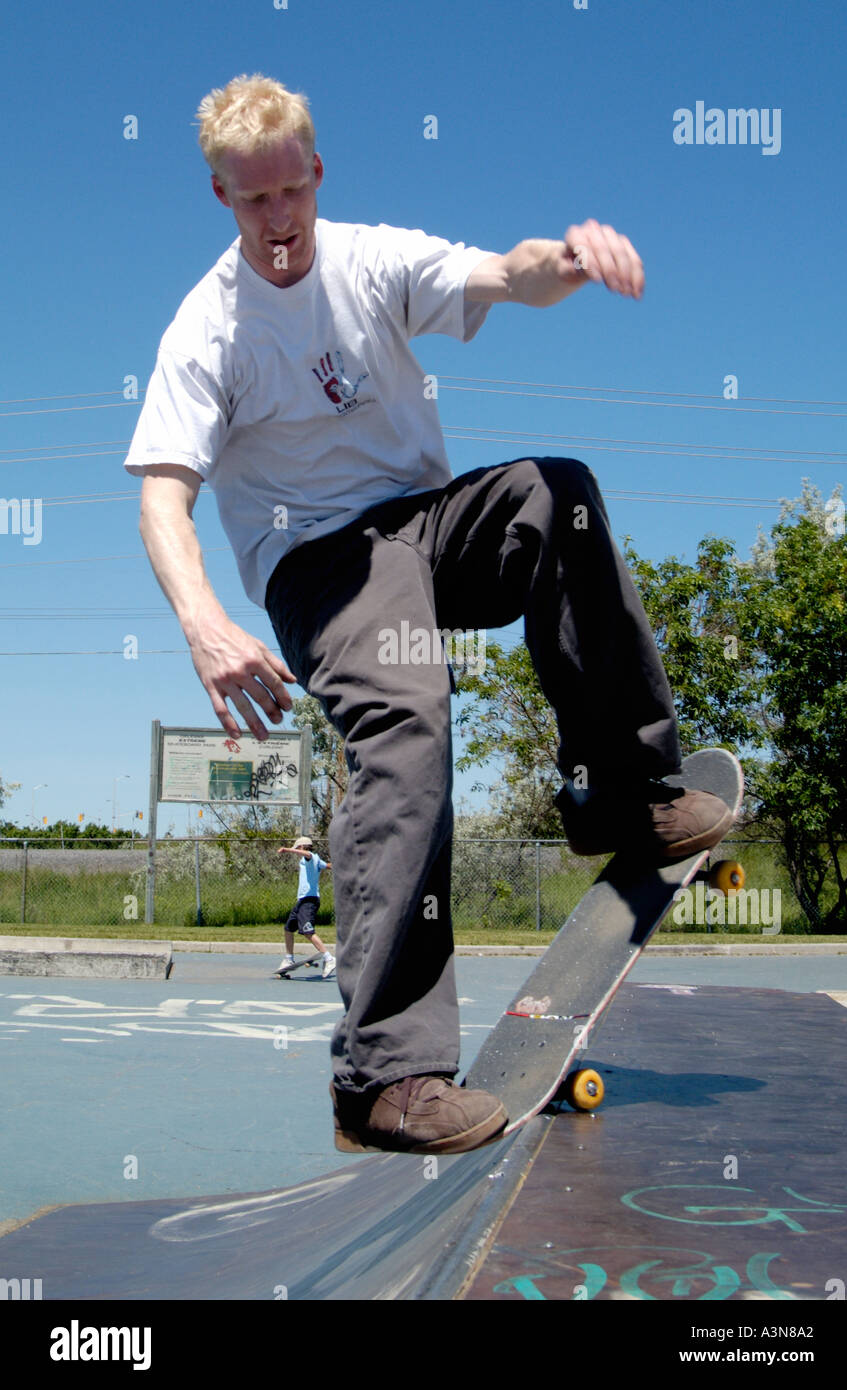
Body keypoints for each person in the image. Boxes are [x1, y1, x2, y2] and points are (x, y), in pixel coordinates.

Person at [126, 74, 734, 1157]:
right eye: (251, 202)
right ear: (219, 195)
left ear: (316, 171)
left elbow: (503, 275)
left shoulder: (370, 259)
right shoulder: (206, 327)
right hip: (319, 566)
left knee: (558, 494)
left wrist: (567, 260)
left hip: (426, 529)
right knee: (410, 719)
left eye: (290, 194)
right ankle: (386, 1077)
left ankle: (619, 791)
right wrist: (204, 623)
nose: (278, 223)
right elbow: (161, 490)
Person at [275, 835, 335, 979]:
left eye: (297, 849)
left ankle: (329, 958)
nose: (296, 851)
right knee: (289, 928)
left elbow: (308, 854)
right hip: (302, 901)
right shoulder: (316, 860)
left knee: (307, 931)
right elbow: (327, 865)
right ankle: (289, 958)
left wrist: (288, 850)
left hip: (309, 901)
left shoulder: (310, 857)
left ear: (301, 848)